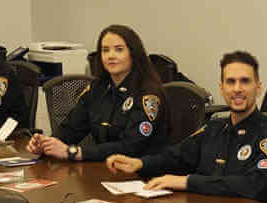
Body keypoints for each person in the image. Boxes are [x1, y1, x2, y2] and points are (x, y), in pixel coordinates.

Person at [106, 51, 267, 203]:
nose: (237, 89)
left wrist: (186, 181)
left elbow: (252, 185)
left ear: (258, 88)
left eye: (245, 81)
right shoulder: (214, 127)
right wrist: (140, 163)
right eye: (230, 82)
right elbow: (177, 157)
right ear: (221, 88)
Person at [27, 25, 169, 162]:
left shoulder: (148, 94)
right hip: (104, 169)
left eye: (119, 50)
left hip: (141, 176)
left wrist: (76, 152)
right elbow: (72, 128)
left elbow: (131, 147)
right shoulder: (97, 88)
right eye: (105, 50)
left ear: (133, 54)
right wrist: (47, 144)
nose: (111, 56)